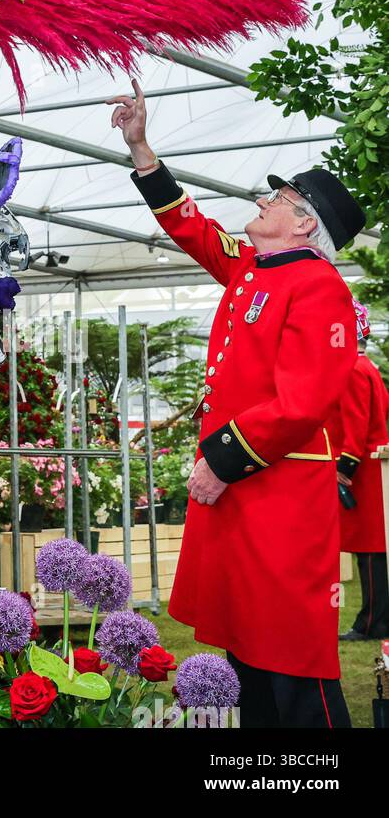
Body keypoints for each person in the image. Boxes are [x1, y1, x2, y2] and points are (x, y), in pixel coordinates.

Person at [108, 79, 366, 728]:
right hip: (249, 498)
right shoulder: (254, 268)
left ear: (305, 222)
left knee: (291, 663)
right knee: (247, 653)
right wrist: (142, 148)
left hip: (279, 498)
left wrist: (221, 459)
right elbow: (191, 226)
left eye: (278, 196)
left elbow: (302, 402)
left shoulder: (321, 290)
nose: (261, 198)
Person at [335, 301, 388, 641]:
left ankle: (372, 622)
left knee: (370, 553)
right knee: (373, 553)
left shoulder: (353, 370)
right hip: (371, 469)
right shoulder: (366, 367)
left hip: (363, 472)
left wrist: (345, 467)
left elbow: (355, 426)